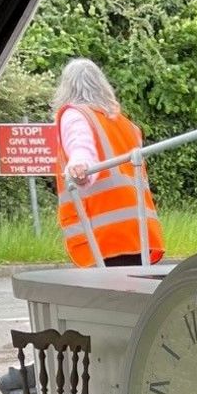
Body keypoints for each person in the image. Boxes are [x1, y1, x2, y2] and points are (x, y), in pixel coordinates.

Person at [52, 58, 165, 270]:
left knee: (111, 290)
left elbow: (80, 144)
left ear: (66, 87)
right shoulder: (125, 124)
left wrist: (79, 166)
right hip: (138, 230)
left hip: (105, 234)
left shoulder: (75, 115)